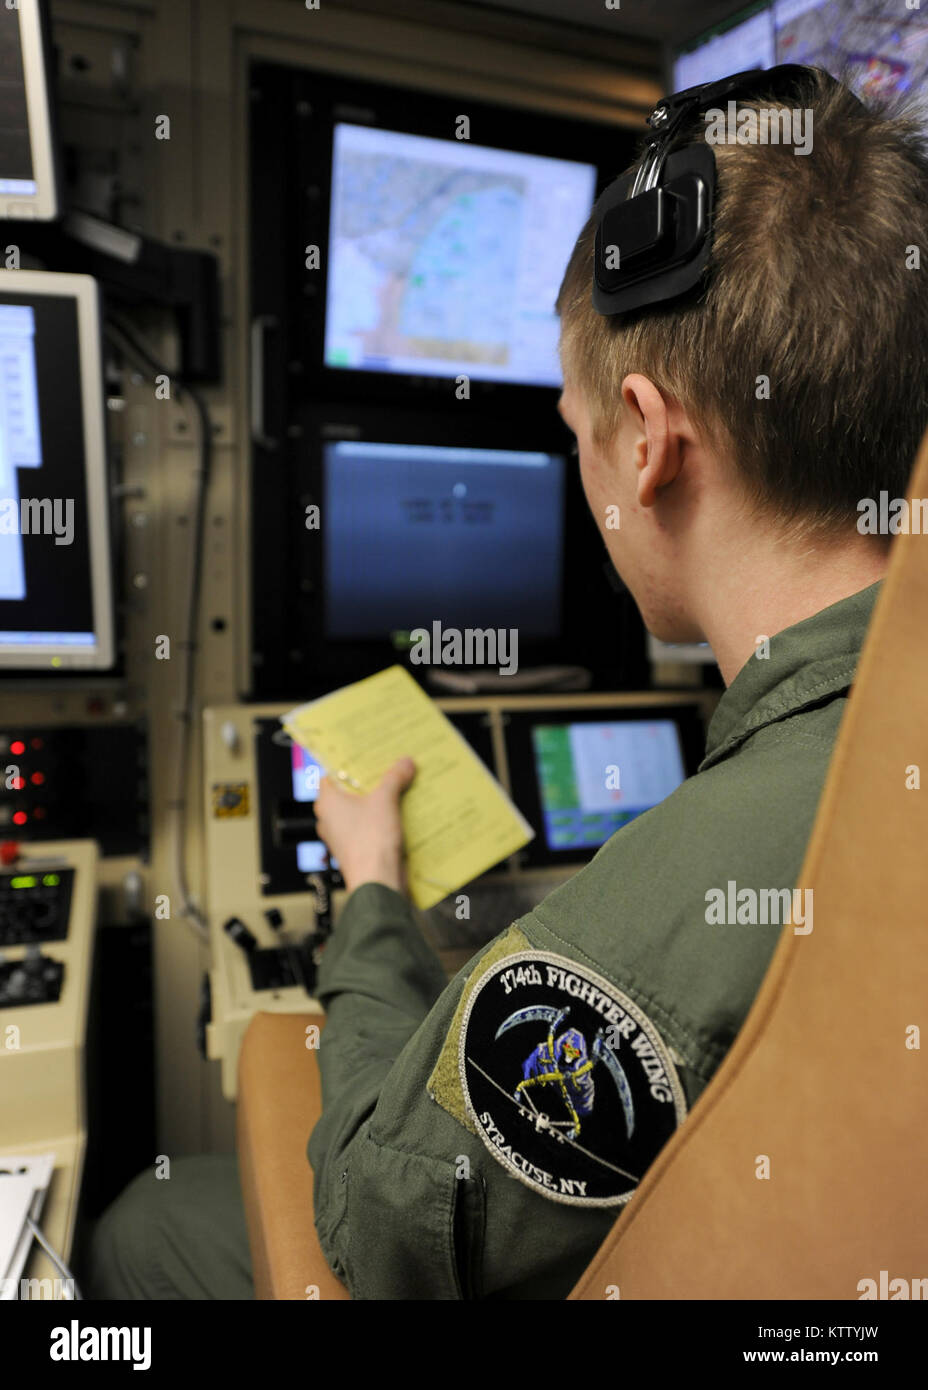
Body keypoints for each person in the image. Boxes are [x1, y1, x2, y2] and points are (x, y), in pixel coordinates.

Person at [86, 64, 928, 1300]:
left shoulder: (698, 894)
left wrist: (371, 891)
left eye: (574, 428)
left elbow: (383, 1226)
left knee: (145, 1222)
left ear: (644, 443)